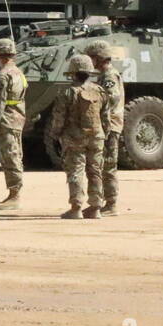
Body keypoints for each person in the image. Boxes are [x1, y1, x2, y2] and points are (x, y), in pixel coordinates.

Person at [48, 54, 105, 219]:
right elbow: (106, 116)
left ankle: (76, 207)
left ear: (72, 73)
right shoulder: (100, 91)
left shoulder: (67, 92)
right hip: (97, 136)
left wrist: (55, 134)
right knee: (95, 170)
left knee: (76, 171)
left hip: (74, 138)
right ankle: (95, 207)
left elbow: (59, 117)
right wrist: (103, 133)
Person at [0, 37, 26, 210]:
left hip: (7, 119)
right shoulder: (18, 72)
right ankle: (15, 192)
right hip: (18, 117)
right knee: (16, 155)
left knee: (10, 157)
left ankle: (14, 195)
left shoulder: (2, 76)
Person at [85, 39, 123, 215]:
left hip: (110, 126)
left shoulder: (108, 76)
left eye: (92, 58)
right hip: (105, 124)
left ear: (99, 58)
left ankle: (112, 203)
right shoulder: (103, 75)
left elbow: (112, 97)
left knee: (108, 165)